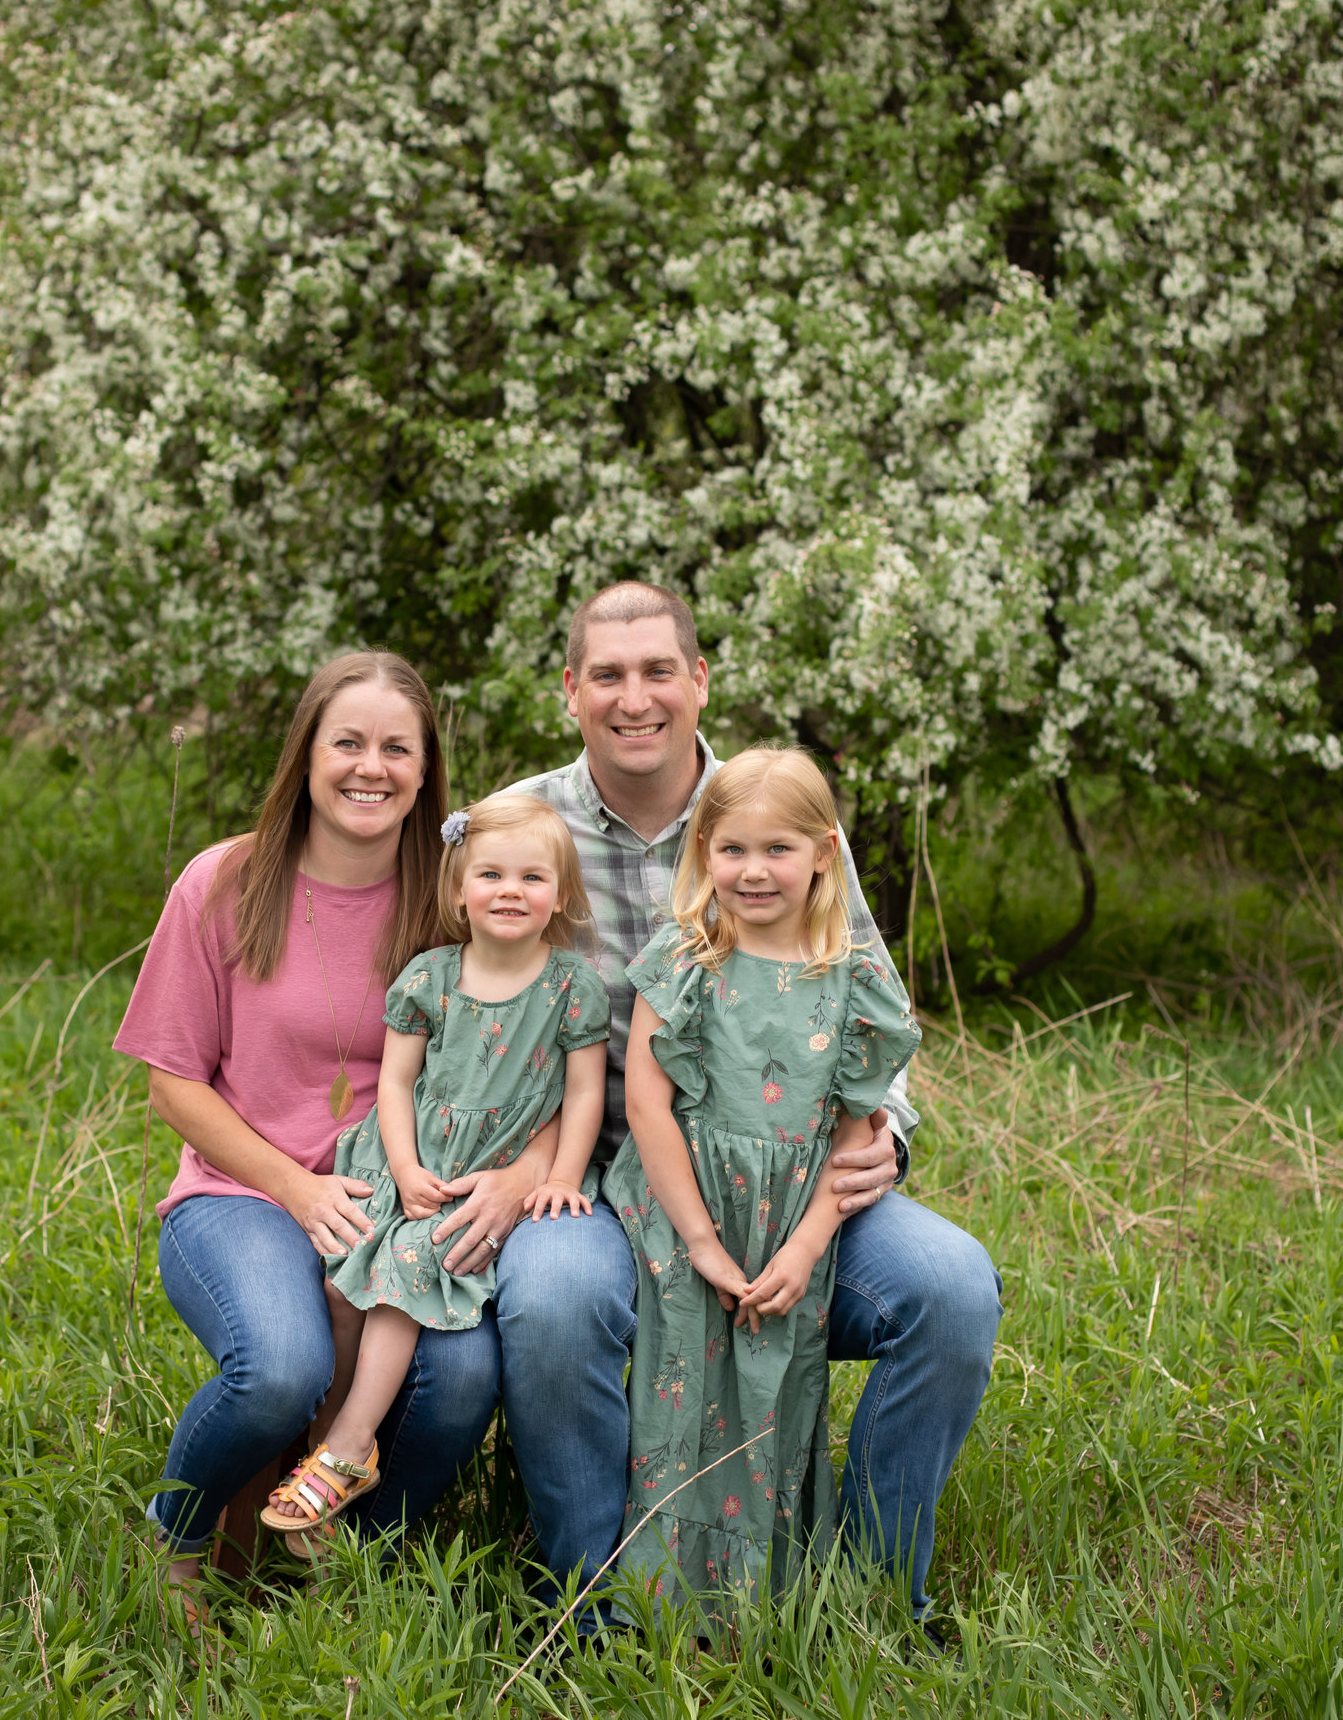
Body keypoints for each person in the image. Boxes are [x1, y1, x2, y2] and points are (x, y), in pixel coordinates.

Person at [493, 582, 1001, 1633]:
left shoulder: (781, 813)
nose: (636, 698)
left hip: (794, 1172)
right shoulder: (524, 825)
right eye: (609, 675)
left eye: (658, 671)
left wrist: (884, 1142)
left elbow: (867, 1006)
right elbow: (457, 1000)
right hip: (590, 1177)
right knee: (550, 1302)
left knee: (950, 1286)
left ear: (699, 679)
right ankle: (601, 1604)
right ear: (571, 691)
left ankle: (863, 1597)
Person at [109, 652, 510, 1624]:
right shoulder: (226, 881)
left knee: (462, 1376)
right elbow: (171, 1081)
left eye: (396, 748)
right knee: (281, 1366)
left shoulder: (450, 903)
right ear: (307, 754)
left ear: (425, 774)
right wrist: (296, 1185)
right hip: (242, 1192)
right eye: (349, 741)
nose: (370, 766)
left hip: (397, 1201)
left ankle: (340, 1550)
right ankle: (179, 1543)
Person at [609, 747, 921, 1609]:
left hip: (793, 1219)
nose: (752, 871)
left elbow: (855, 1140)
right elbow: (646, 1105)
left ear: (824, 851)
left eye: (777, 850)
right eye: (732, 849)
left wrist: (806, 1246)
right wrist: (702, 1242)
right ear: (703, 850)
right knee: (679, 1393)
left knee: (774, 1390)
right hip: (685, 1207)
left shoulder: (852, 979)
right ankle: (656, 1598)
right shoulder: (685, 959)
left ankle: (768, 1598)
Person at [260, 794, 612, 1550]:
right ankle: (321, 1456)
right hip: (407, 1161)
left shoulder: (570, 986)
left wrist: (562, 1176)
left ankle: (351, 1447)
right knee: (339, 1285)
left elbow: (584, 1092)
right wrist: (404, 1165)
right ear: (458, 890)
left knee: (401, 1280)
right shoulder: (431, 976)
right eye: (490, 874)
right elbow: (392, 1084)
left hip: (478, 1181)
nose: (510, 890)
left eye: (531, 877)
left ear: (562, 896)